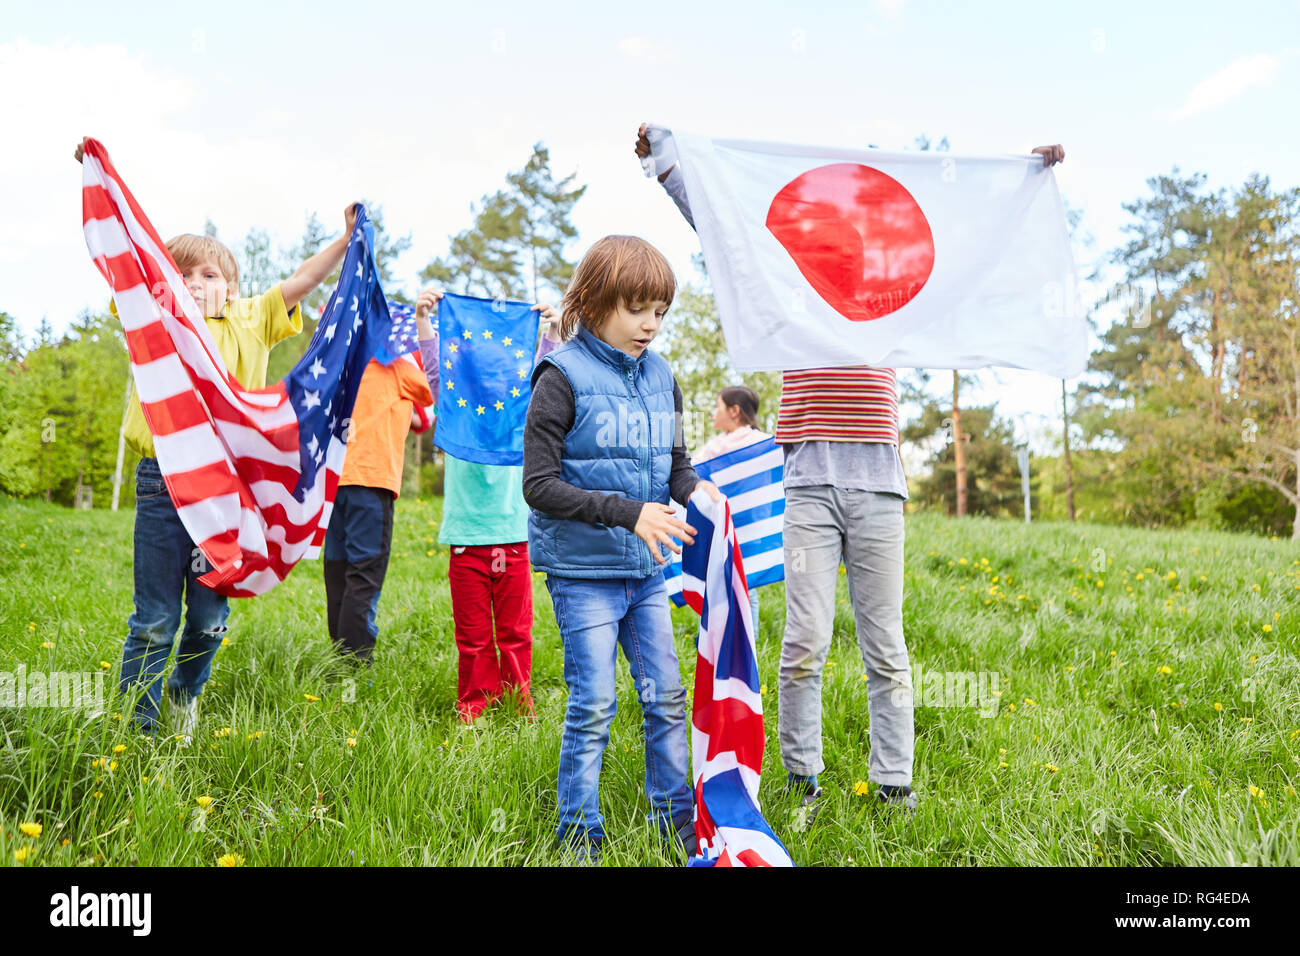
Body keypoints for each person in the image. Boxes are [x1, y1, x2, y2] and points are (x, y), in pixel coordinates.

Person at [635, 123, 1065, 817]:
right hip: (807, 483)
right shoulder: (791, 284)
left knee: (885, 644)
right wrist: (667, 163)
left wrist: (1026, 177)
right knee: (804, 641)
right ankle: (801, 778)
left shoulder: (899, 291)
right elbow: (727, 233)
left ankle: (894, 782)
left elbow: (974, 251)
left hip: (878, 488)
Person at [75, 138, 361, 743]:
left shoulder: (251, 318)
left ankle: (185, 695)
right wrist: (101, 179)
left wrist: (344, 240)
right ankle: (135, 728)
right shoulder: (157, 323)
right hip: (162, 485)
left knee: (207, 618)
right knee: (155, 618)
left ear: (231, 288)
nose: (195, 282)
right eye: (182, 273)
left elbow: (302, 281)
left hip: (227, 496)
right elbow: (129, 263)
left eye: (209, 275)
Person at [523, 235, 721, 863]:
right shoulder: (560, 377)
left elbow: (676, 465)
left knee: (666, 697)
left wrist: (698, 491)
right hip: (583, 573)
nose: (651, 324)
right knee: (595, 704)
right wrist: (629, 513)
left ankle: (675, 824)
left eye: (659, 311)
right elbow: (538, 486)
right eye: (637, 309)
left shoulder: (663, 377)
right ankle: (579, 834)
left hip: (647, 572)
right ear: (594, 300)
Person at [426, 291, 562, 723]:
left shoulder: (522, 409)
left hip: (514, 538)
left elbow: (543, 375)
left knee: (516, 632)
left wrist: (553, 330)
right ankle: (475, 706)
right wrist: (423, 317)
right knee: (472, 635)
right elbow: (435, 370)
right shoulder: (455, 408)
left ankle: (520, 704)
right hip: (466, 538)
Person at [323, 289, 439, 663]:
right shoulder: (396, 365)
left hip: (333, 483)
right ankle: (356, 662)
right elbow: (432, 394)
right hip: (373, 482)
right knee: (365, 572)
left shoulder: (334, 364)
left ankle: (338, 654)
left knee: (337, 571)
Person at [692, 385, 770, 635]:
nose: (714, 413)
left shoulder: (761, 445)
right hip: (720, 527)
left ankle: (747, 640)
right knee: (718, 582)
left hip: (747, 528)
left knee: (744, 585)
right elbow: (693, 475)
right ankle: (715, 640)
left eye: (718, 407)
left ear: (734, 411)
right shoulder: (715, 447)